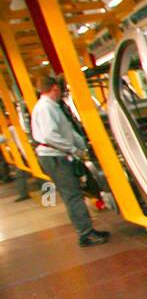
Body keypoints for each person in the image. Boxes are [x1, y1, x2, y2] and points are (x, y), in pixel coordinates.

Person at [31, 75, 109, 246]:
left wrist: (82, 145)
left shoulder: (52, 106)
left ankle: (88, 230)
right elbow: (49, 135)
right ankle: (85, 235)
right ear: (54, 88)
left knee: (74, 194)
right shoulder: (46, 107)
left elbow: (66, 130)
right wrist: (73, 149)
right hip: (54, 157)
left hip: (57, 155)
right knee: (72, 196)